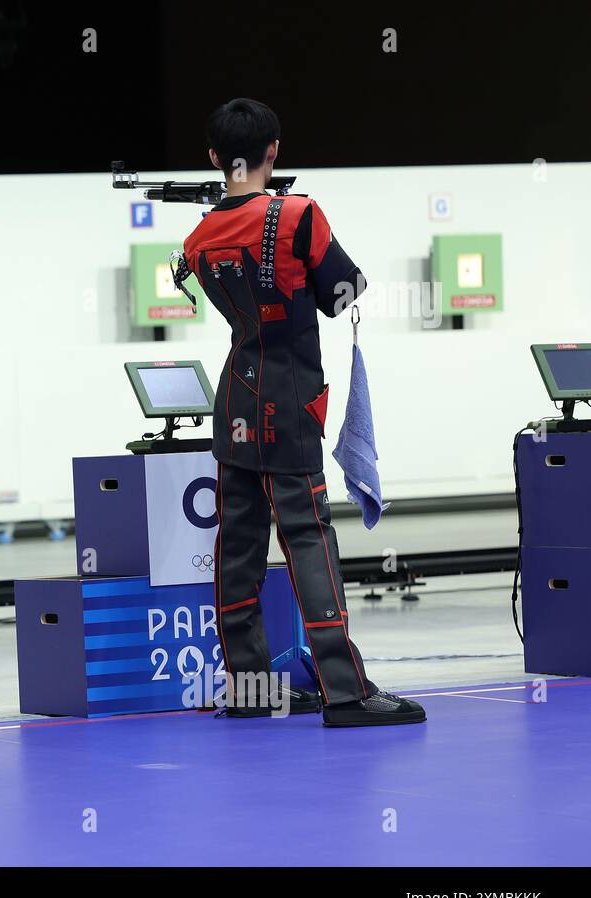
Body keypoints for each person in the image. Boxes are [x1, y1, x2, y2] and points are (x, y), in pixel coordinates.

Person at [180, 100, 426, 727]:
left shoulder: (198, 237)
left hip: (235, 396)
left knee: (237, 546)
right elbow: (345, 292)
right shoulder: (299, 215)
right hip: (288, 402)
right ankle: (345, 692)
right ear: (275, 151)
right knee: (309, 541)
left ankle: (248, 690)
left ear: (214, 158)